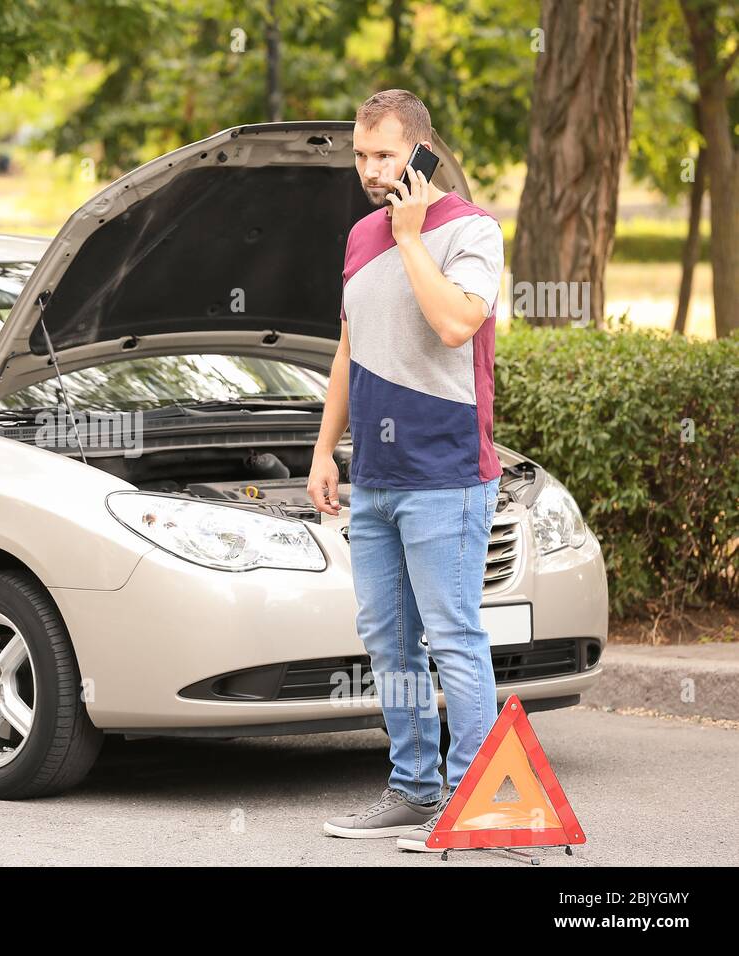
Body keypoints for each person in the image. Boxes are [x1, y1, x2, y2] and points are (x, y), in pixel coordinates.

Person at [307, 89, 506, 852]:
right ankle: (414, 786)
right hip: (377, 477)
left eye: (385, 155)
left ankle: (474, 803)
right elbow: (349, 348)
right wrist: (325, 450)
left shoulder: (471, 231)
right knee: (389, 643)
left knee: (453, 638)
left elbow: (457, 323)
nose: (370, 169)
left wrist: (413, 235)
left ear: (422, 151)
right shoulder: (360, 236)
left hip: (448, 473)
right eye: (360, 156)